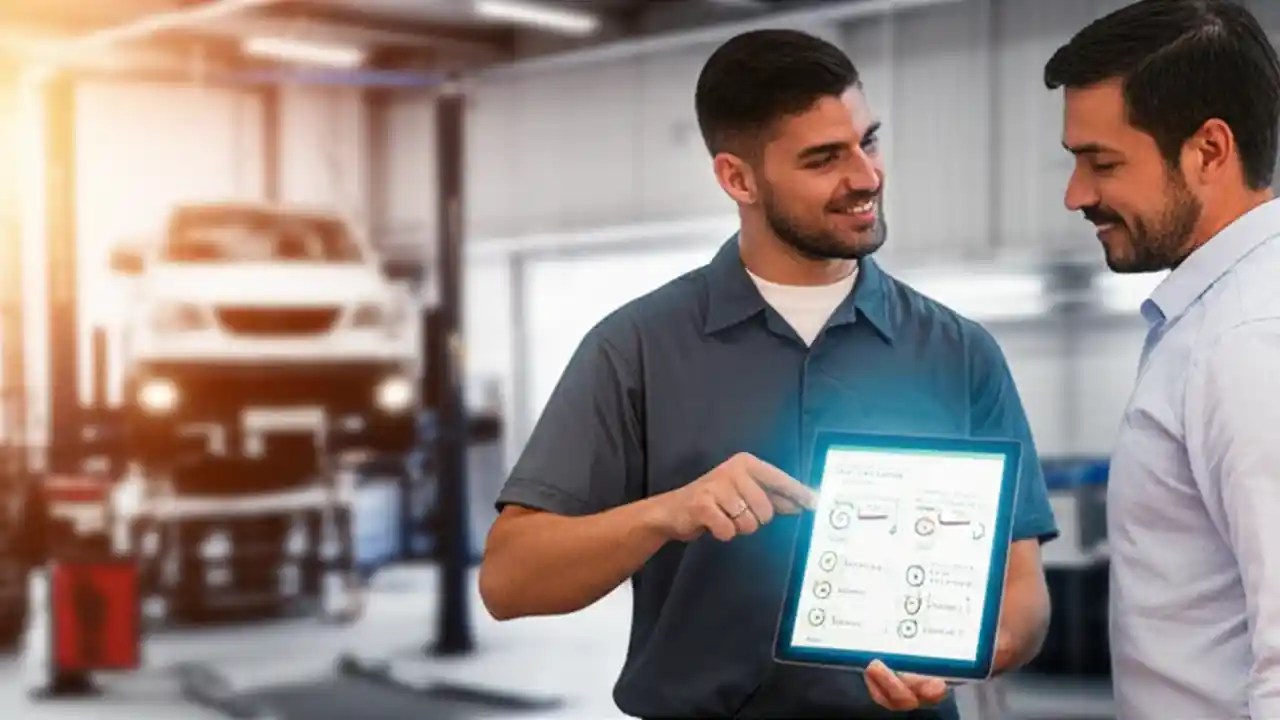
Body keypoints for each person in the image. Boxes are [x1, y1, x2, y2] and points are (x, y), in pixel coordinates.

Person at [481, 28, 1057, 719]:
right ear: (738, 179)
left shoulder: (960, 352)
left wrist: (974, 652)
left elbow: (1023, 589)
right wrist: (666, 513)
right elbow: (508, 580)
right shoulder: (634, 349)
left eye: (869, 141)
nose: (866, 177)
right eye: (824, 159)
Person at [1043, 1, 1280, 718]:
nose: (1076, 195)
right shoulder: (1217, 318)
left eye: (1103, 163)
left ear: (1209, 151)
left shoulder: (1245, 339)